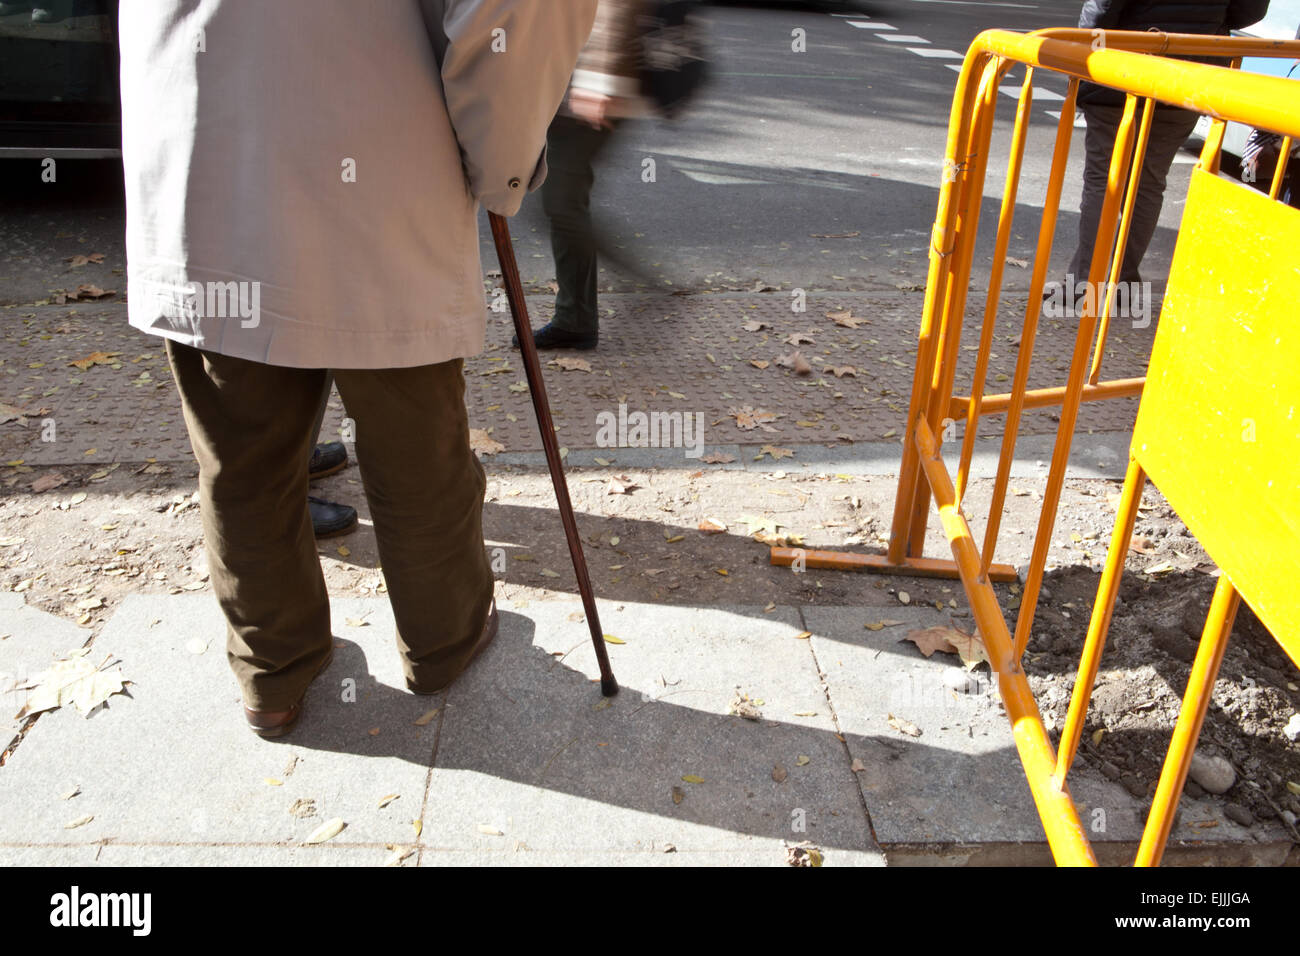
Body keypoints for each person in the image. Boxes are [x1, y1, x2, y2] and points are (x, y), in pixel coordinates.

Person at [119, 0, 597, 737]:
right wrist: (506, 160)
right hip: (382, 168)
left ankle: (271, 673)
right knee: (417, 450)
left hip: (204, 158)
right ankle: (444, 641)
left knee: (242, 457)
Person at [1063, 0, 1270, 295]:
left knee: (1103, 178)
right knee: (1148, 182)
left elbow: (1102, 9)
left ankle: (1086, 282)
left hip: (1122, 70)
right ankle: (1123, 280)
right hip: (1187, 73)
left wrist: (1082, 52)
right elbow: (1250, 11)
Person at [513, 0, 651, 351]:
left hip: (593, 81)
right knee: (563, 201)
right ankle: (577, 317)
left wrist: (597, 75)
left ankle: (647, 288)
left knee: (561, 201)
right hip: (575, 74)